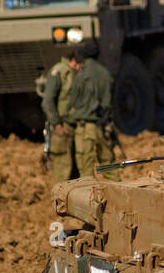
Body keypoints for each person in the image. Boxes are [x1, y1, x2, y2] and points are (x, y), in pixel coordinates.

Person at [63, 42, 120, 181]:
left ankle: (88, 197)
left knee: (86, 167)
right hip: (102, 126)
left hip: (84, 127)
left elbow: (73, 101)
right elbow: (107, 103)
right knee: (109, 165)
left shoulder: (79, 75)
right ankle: (116, 194)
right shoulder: (105, 74)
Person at [41, 53, 76, 181]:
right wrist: (56, 123)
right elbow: (47, 101)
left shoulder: (70, 72)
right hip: (62, 127)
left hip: (72, 126)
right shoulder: (59, 72)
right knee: (63, 172)